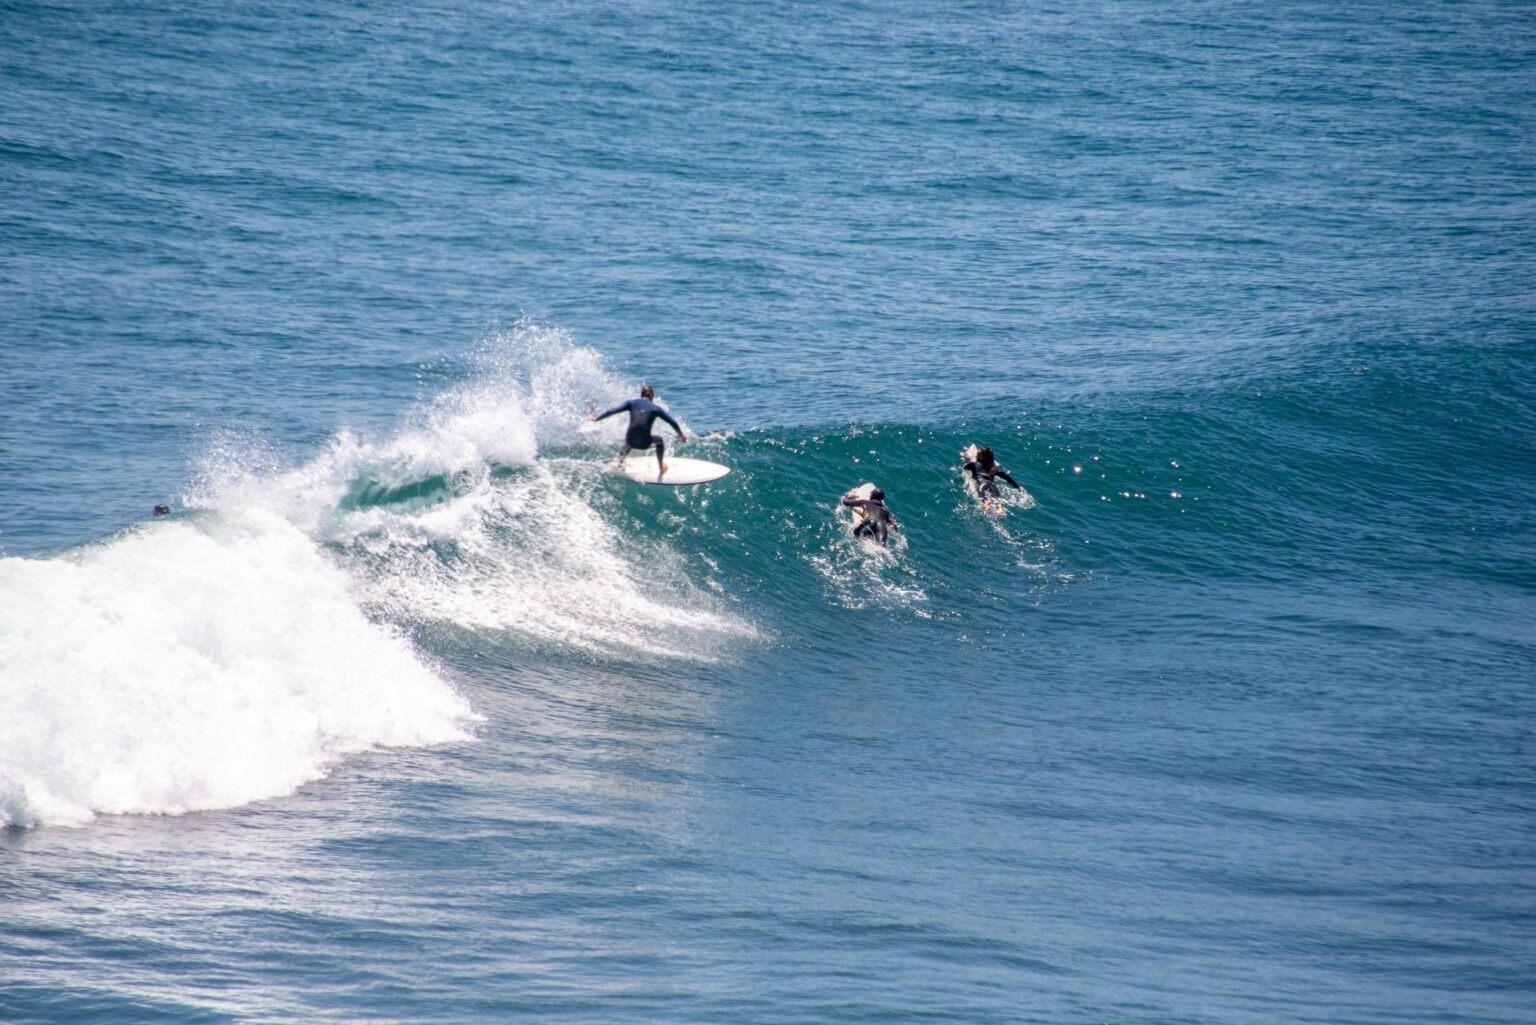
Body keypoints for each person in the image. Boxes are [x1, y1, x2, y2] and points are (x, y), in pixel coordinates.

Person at [588, 384, 687, 475]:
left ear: (641, 395)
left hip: (630, 441)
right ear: (652, 396)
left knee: (630, 438)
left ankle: (619, 462)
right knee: (659, 441)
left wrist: (597, 418)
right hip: (644, 444)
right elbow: (672, 422)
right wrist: (681, 435)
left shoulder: (631, 403)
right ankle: (661, 467)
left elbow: (612, 411)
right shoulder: (656, 409)